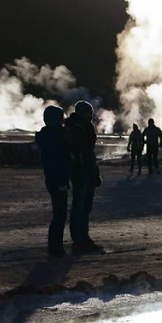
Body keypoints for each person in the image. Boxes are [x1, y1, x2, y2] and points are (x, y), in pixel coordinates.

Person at [65, 101, 103, 253]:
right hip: (79, 171)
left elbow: (89, 153)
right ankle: (78, 239)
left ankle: (84, 237)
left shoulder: (87, 127)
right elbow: (75, 152)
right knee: (79, 206)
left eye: (91, 113)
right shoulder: (72, 127)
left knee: (86, 207)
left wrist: (95, 172)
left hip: (88, 169)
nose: (90, 115)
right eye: (88, 112)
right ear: (80, 113)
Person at [36, 105, 72, 258]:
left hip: (54, 178)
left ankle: (56, 246)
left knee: (59, 214)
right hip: (57, 179)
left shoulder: (49, 135)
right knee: (59, 215)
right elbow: (59, 160)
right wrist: (62, 180)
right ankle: (55, 248)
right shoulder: (53, 138)